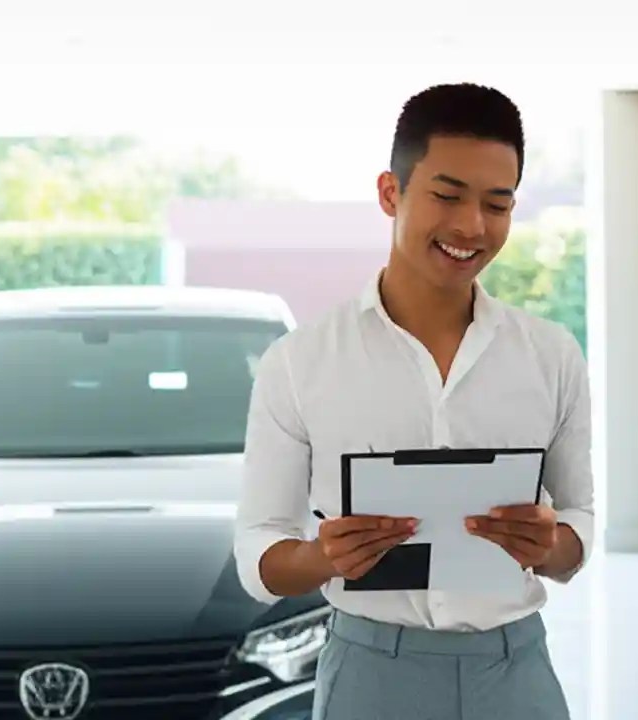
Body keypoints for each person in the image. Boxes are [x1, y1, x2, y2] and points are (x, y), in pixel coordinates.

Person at [233, 82, 593, 720]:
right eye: (447, 196)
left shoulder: (551, 355)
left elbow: (578, 526)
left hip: (515, 671)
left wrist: (548, 544)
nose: (472, 226)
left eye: (497, 204)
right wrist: (321, 557)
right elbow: (259, 549)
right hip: (371, 674)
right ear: (390, 193)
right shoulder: (301, 361)